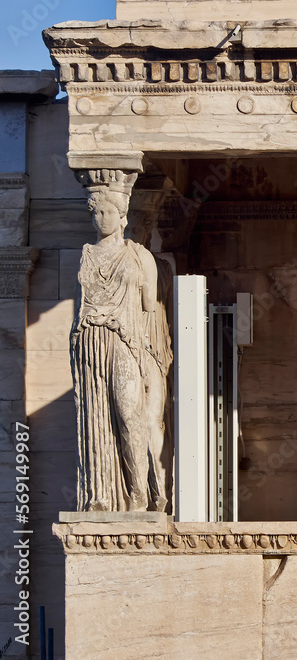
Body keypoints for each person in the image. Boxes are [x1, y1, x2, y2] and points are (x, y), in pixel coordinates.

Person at [72, 187, 158, 512]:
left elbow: (149, 309)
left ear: (123, 216)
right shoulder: (86, 254)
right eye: (97, 212)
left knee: (129, 413)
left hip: (126, 340)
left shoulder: (139, 255)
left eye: (108, 212)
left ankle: (138, 493)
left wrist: (147, 358)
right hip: (90, 342)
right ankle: (102, 496)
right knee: (96, 416)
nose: (102, 218)